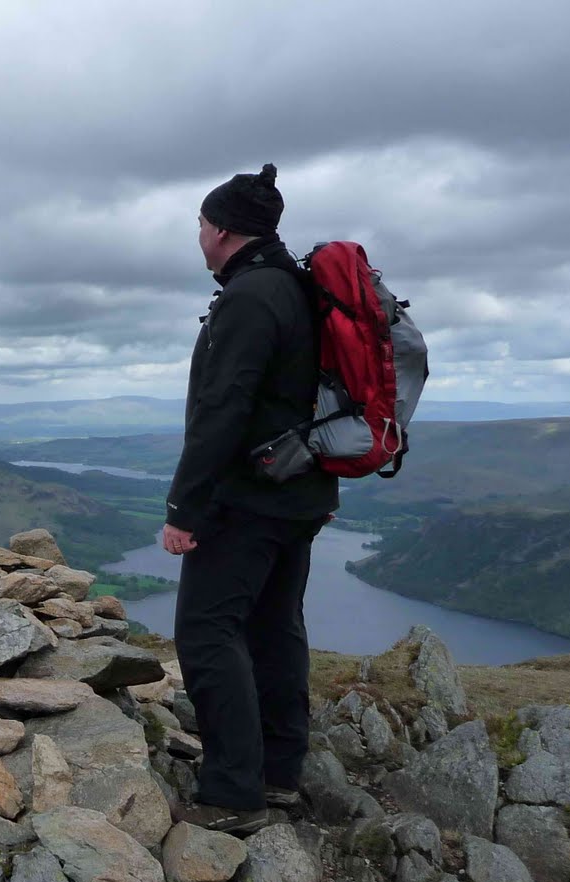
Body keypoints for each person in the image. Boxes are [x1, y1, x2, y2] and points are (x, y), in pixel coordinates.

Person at [162, 163, 338, 836]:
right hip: (301, 494)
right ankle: (279, 774)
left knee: (207, 631)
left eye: (202, 224)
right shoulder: (297, 288)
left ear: (225, 231)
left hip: (250, 499)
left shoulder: (249, 296)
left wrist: (185, 508)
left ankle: (233, 790)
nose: (199, 234)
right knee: (273, 626)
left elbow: (223, 408)